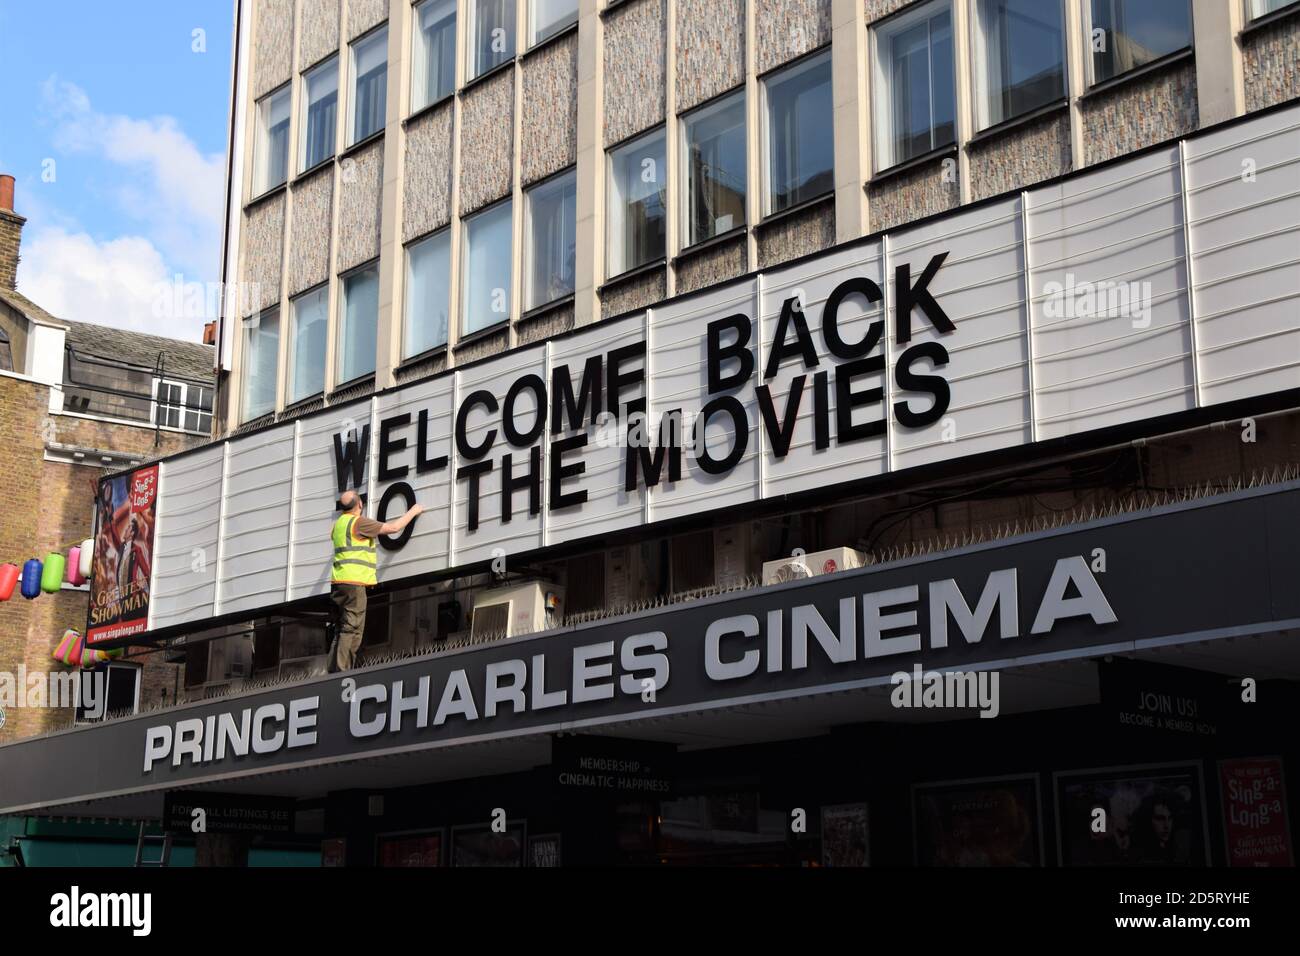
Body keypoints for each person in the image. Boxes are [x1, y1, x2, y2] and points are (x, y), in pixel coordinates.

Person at [329, 490, 422, 671]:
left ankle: (332, 670)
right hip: (354, 585)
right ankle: (341, 673)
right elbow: (394, 528)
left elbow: (331, 534)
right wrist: (414, 511)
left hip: (338, 583)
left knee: (340, 629)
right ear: (360, 505)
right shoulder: (359, 523)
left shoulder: (338, 524)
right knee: (352, 628)